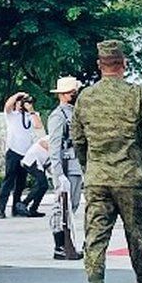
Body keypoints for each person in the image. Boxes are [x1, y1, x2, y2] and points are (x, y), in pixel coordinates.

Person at [69, 39, 142, 283]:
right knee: (138, 236)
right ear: (124, 64)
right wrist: (140, 153)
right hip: (130, 177)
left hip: (98, 178)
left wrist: (90, 166)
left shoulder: (85, 97)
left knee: (96, 237)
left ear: (99, 65)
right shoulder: (137, 94)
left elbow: (78, 139)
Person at [46, 75, 85, 260]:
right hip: (66, 166)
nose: (74, 95)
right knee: (61, 207)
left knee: (72, 205)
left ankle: (67, 244)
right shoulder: (58, 115)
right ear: (62, 94)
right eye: (71, 92)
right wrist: (59, 173)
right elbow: (54, 147)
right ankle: (59, 245)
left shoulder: (75, 112)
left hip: (76, 165)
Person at [0, 92, 46, 217]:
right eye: (21, 101)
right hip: (13, 151)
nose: (23, 103)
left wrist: (31, 110)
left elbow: (38, 126)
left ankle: (16, 208)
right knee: (8, 182)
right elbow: (7, 106)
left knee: (21, 183)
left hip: (26, 154)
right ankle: (1, 209)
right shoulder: (12, 115)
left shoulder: (30, 115)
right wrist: (18, 95)